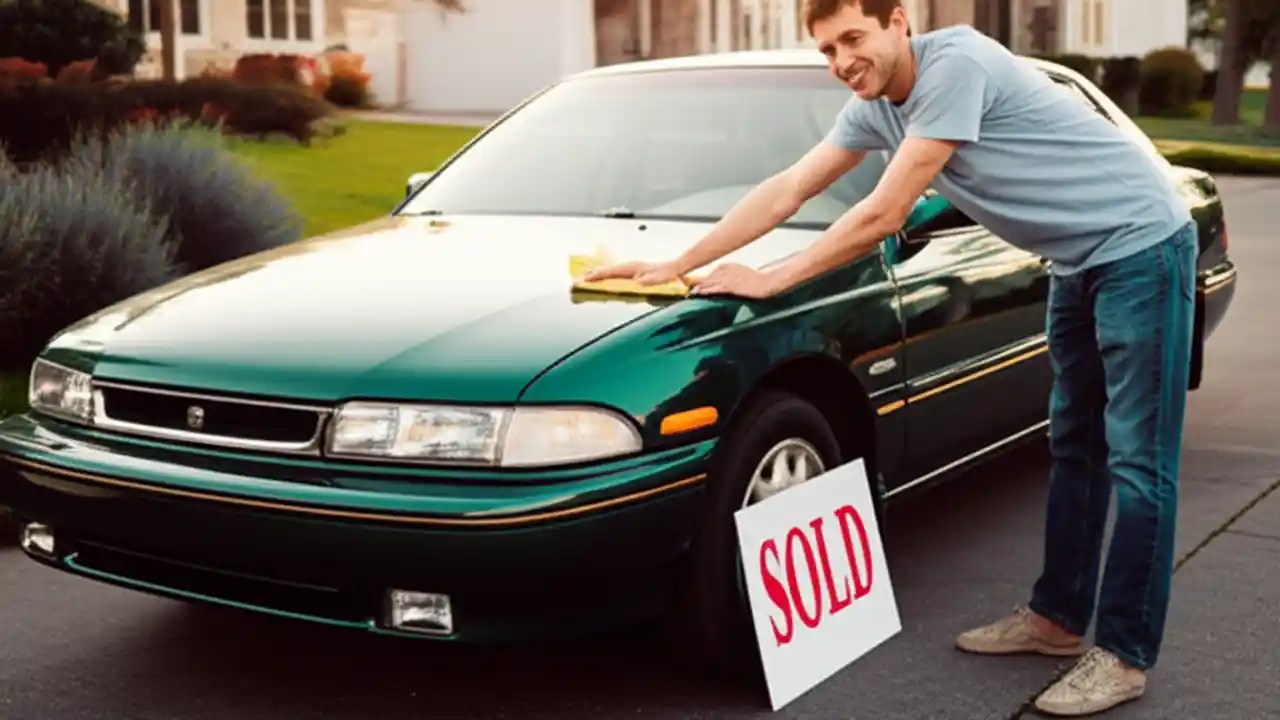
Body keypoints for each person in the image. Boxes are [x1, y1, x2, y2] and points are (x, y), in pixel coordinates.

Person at [584, 0, 1196, 716]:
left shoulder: (956, 64)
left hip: (1141, 248)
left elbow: (884, 212)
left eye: (852, 39)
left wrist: (773, 277)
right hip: (1075, 263)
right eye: (826, 51)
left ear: (898, 22)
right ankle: (1057, 621)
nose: (842, 62)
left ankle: (1124, 655)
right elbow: (789, 188)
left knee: (1137, 463)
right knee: (1074, 447)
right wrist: (678, 263)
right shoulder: (877, 107)